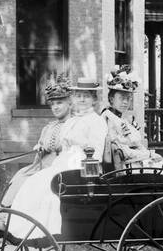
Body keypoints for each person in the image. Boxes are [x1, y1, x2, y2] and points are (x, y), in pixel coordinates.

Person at [8, 76, 110, 237]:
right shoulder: (72, 121)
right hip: (65, 161)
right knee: (33, 182)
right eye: (79, 96)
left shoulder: (96, 121)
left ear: (94, 100)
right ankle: (24, 230)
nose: (82, 99)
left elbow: (96, 152)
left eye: (87, 96)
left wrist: (82, 149)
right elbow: (64, 148)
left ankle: (47, 230)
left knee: (46, 187)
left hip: (82, 167)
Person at [101, 64, 163, 198]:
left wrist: (148, 154)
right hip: (132, 169)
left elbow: (132, 144)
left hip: (138, 163)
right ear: (111, 99)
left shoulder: (120, 118)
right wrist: (148, 154)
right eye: (121, 98)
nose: (125, 102)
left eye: (128, 98)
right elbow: (120, 150)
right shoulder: (109, 119)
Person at [0, 75, 72, 207]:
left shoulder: (73, 125)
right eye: (53, 104)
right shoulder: (49, 127)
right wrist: (40, 148)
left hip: (60, 171)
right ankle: (6, 213)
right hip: (42, 166)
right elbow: (41, 152)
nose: (55, 107)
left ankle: (11, 215)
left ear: (69, 103)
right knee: (20, 175)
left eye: (59, 103)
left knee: (28, 181)